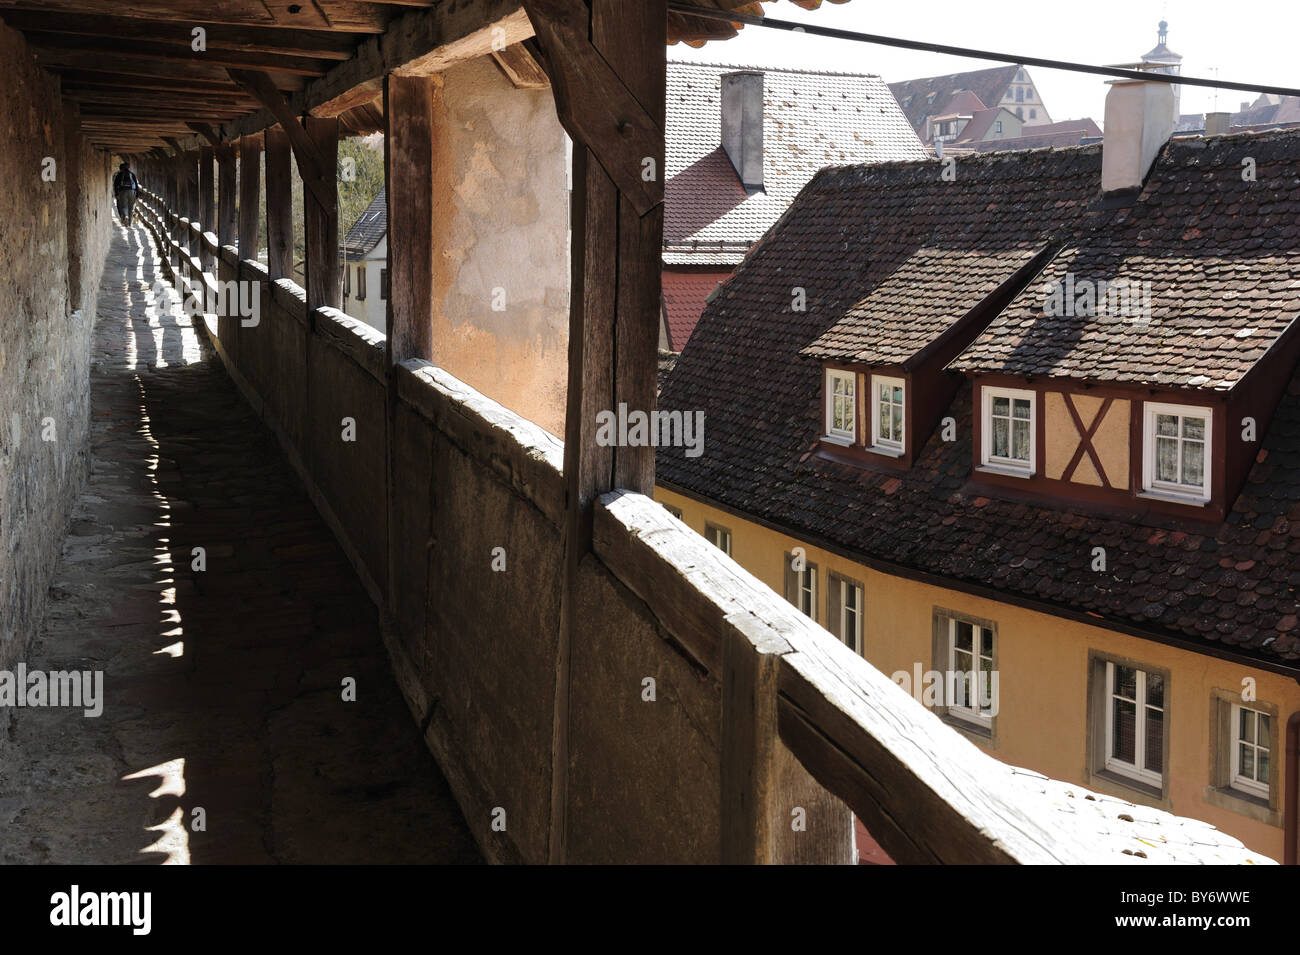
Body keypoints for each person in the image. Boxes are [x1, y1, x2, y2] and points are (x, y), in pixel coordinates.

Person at [113, 162, 140, 227]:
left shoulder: (119, 175)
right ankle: (130, 223)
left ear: (121, 168)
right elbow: (136, 185)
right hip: (132, 192)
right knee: (131, 208)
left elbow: (116, 185)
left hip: (122, 192)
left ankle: (125, 216)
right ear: (128, 168)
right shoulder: (132, 174)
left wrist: (116, 194)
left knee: (123, 206)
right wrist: (137, 195)